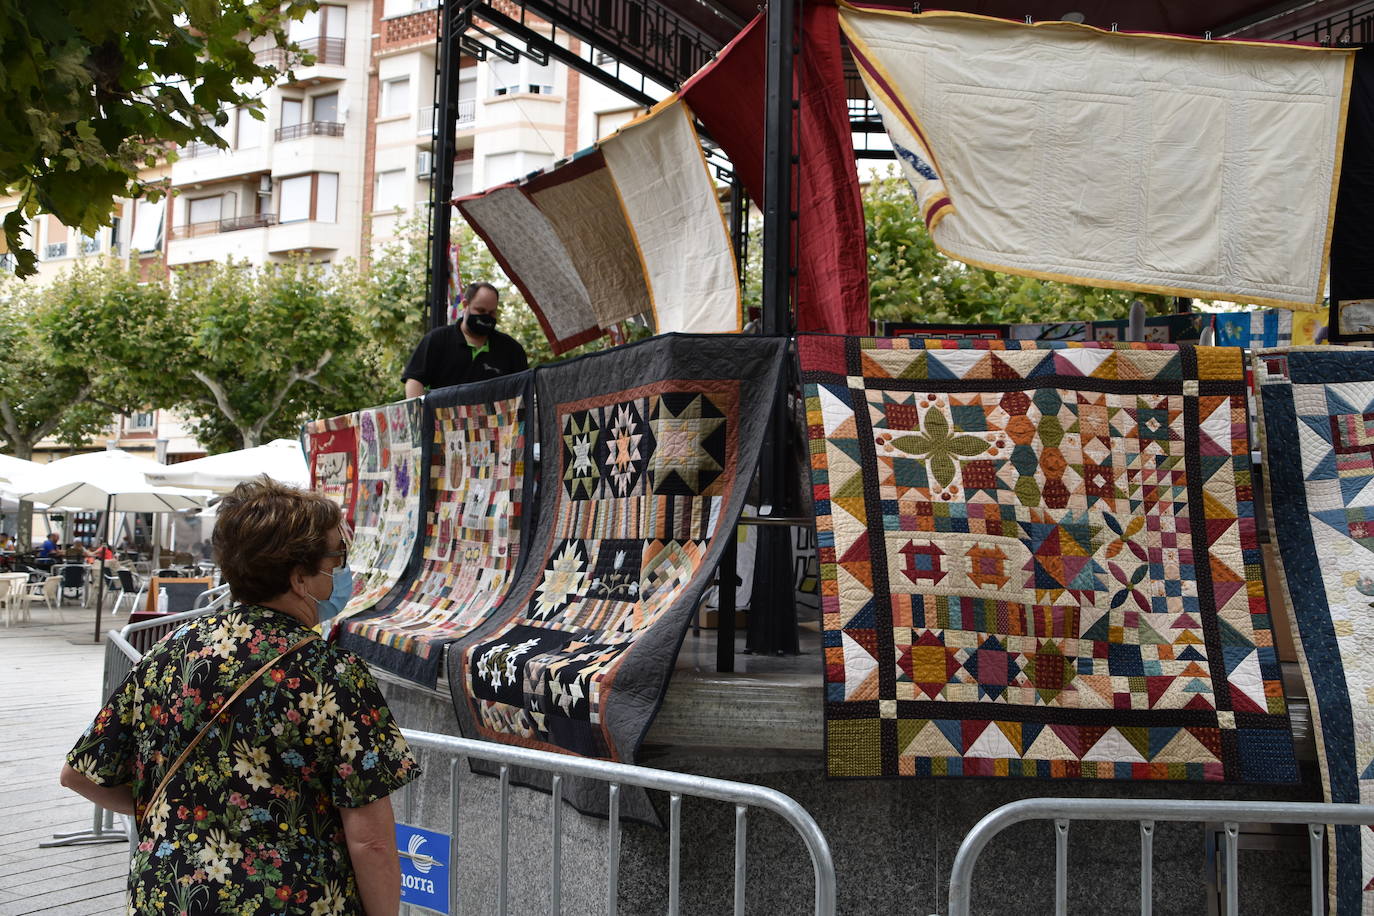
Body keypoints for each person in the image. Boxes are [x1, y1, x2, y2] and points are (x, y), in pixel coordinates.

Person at [60, 478, 419, 915]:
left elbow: (79, 774)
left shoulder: (170, 651)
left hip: (170, 897)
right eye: (337, 558)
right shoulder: (334, 676)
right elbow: (372, 841)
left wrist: (175, 816)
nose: (343, 571)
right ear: (299, 578)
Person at [402, 281, 528, 397]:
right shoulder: (437, 340)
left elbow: (524, 390)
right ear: (465, 305)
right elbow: (414, 381)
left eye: (491, 313)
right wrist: (421, 412)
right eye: (480, 310)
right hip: (443, 413)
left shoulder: (511, 349)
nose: (486, 317)